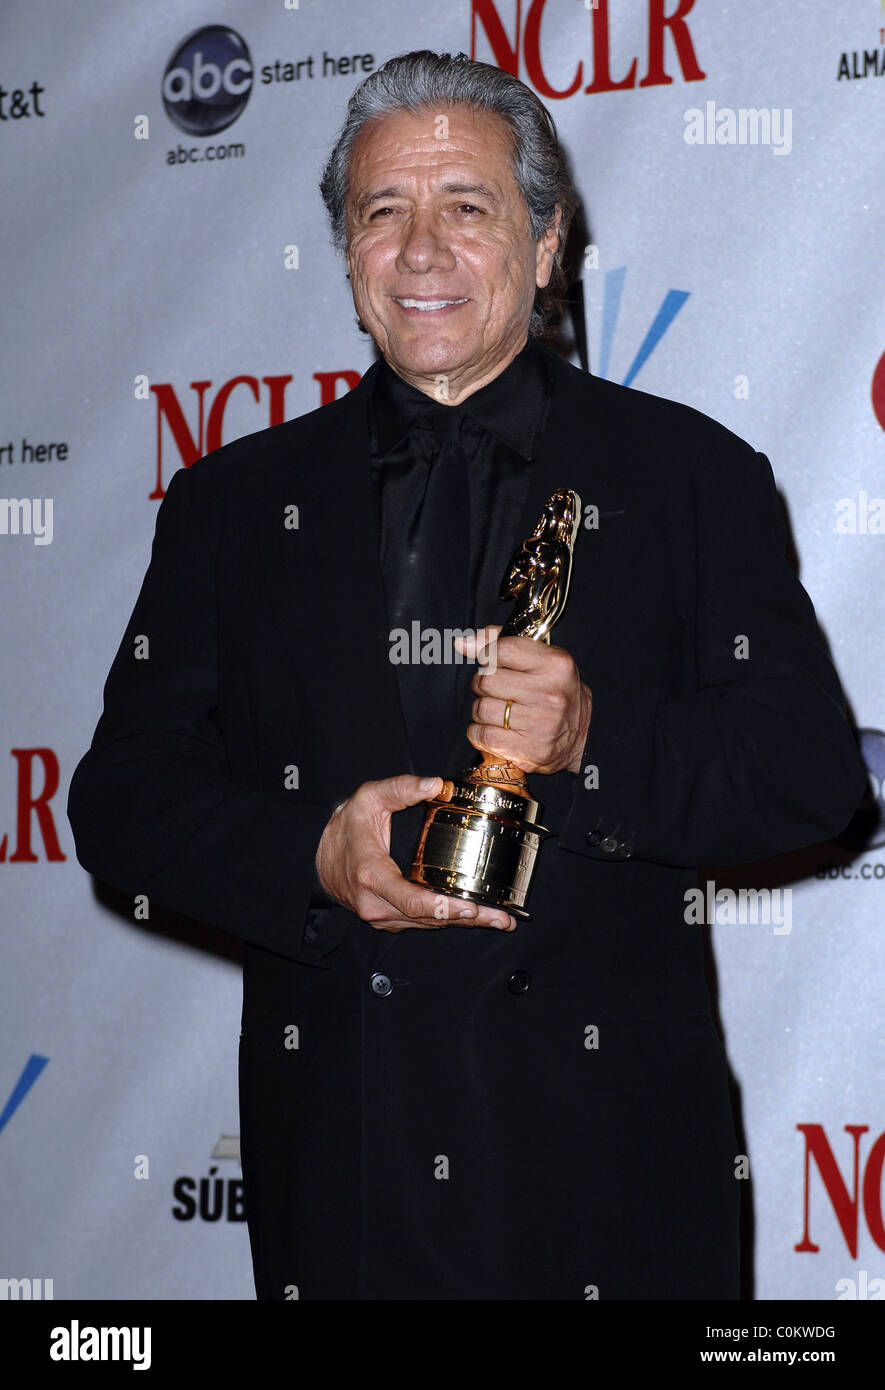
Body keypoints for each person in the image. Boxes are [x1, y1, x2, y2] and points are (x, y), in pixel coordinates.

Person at [68, 51, 866, 1300]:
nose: (422, 250)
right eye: (383, 212)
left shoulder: (689, 478)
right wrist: (314, 858)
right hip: (351, 1177)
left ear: (546, 247)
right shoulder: (234, 505)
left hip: (614, 1183)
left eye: (469, 208)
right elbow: (122, 801)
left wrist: (596, 739)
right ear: (346, 257)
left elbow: (816, 780)